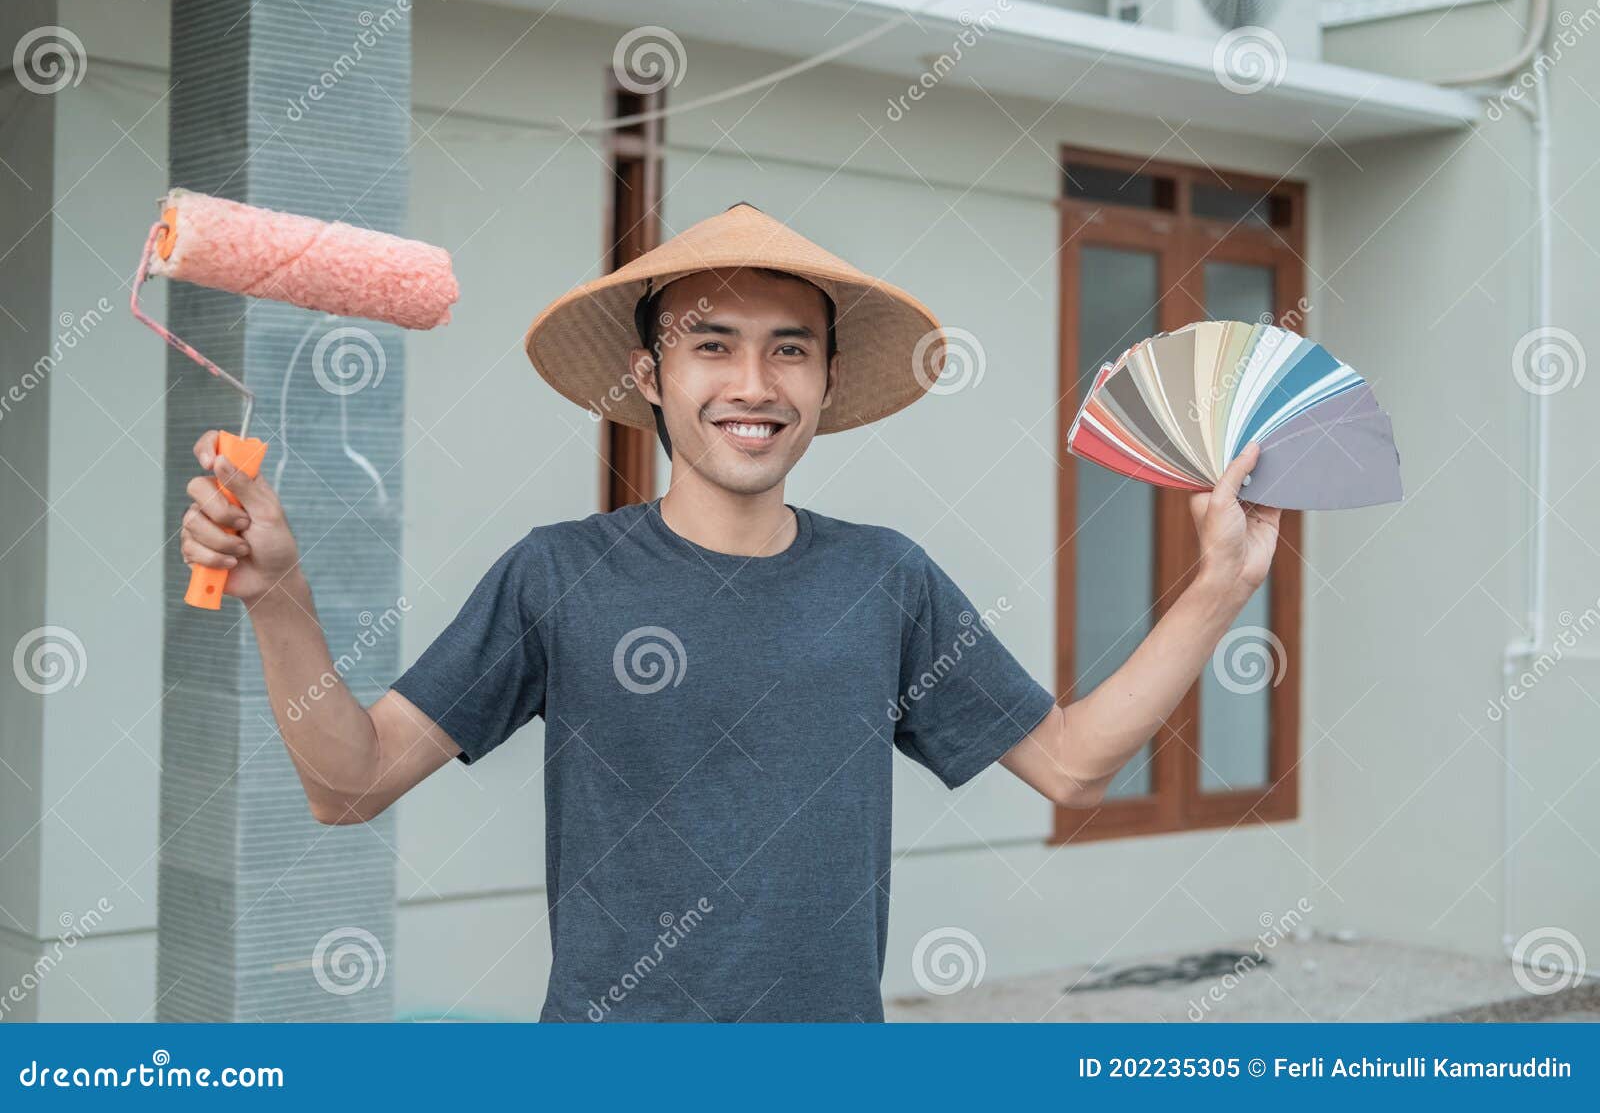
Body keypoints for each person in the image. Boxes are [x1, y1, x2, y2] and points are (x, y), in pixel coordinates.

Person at [178, 202, 1280, 1022]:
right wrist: (282, 599)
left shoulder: (885, 579)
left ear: (827, 382)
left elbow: (1072, 763)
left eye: (788, 347)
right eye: (711, 343)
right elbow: (348, 781)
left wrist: (1222, 585)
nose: (752, 382)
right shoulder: (557, 573)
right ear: (649, 374)